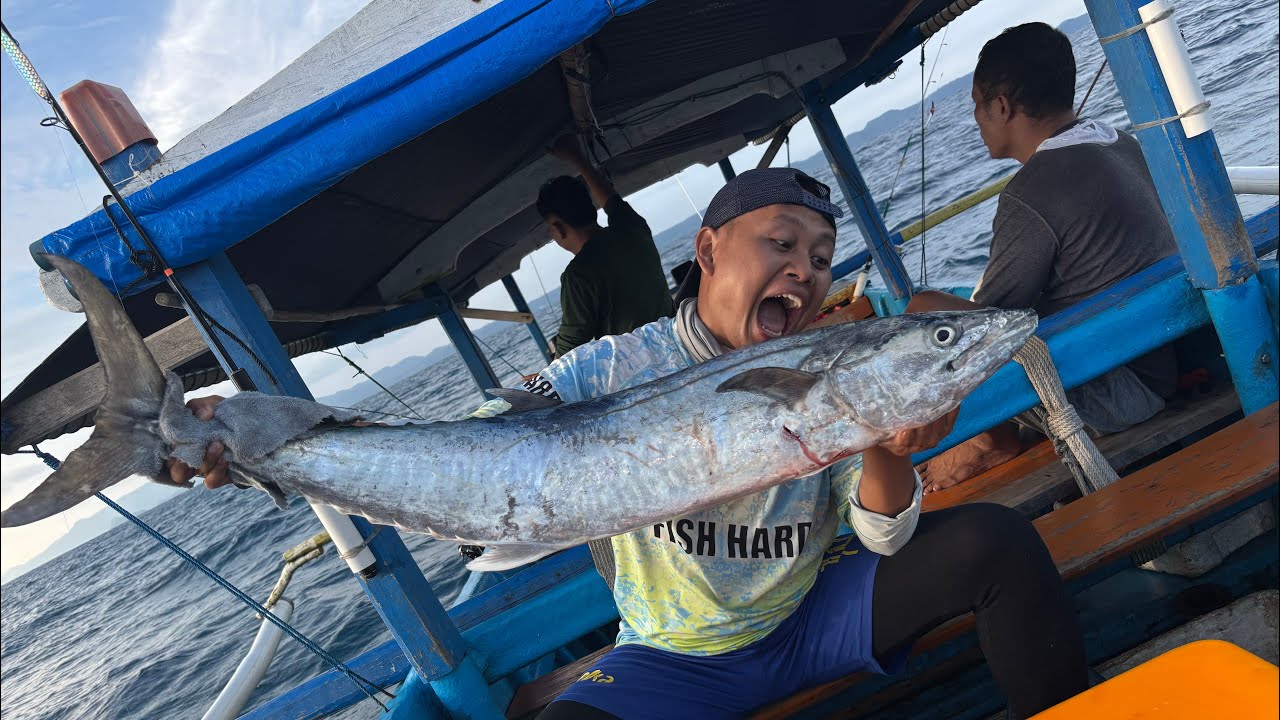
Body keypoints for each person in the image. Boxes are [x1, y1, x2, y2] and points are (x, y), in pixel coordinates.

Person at [173, 167, 1088, 720]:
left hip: (811, 617)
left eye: (820, 254)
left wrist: (891, 447)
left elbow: (885, 539)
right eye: (782, 242)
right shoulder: (613, 364)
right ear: (711, 251)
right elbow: (494, 439)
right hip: (668, 662)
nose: (806, 270)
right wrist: (253, 443)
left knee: (996, 544)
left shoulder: (836, 367)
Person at [917, 22, 1178, 493]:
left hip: (1125, 391)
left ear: (1001, 106)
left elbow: (989, 330)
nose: (975, 117)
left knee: (923, 313)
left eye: (977, 104)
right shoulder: (1119, 140)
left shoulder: (1031, 193)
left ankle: (986, 444)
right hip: (1172, 351)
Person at [539, 135, 674, 358]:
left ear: (558, 228)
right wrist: (578, 159)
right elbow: (611, 200)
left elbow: (571, 346)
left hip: (644, 368)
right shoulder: (631, 228)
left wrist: (544, 377)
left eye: (550, 230)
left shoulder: (578, 275)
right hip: (679, 342)